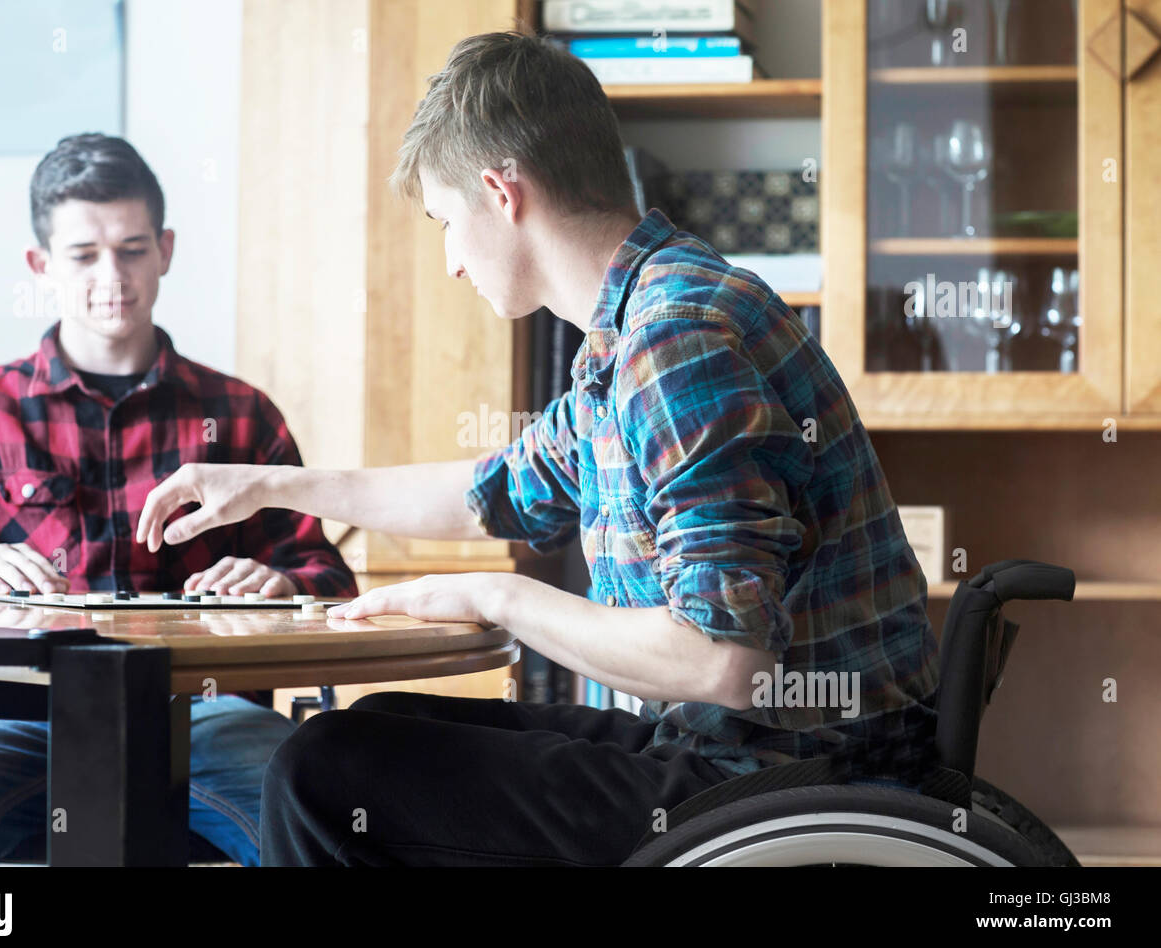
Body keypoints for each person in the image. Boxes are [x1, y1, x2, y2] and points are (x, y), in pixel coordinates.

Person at [137, 33, 940, 867]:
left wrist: (498, 597)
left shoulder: (675, 339)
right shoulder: (627, 336)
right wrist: (269, 485)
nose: (451, 263)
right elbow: (487, 493)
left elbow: (724, 660)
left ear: (501, 192)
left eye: (447, 223)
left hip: (793, 779)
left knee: (318, 770)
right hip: (743, 752)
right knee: (369, 729)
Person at [0, 134, 356, 866]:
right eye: (84, 255)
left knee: (328, 825)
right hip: (6, 713)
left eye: (131, 249)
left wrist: (283, 582)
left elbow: (329, 579)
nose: (111, 276)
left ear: (166, 249)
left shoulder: (241, 413)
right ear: (41, 265)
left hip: (203, 715)